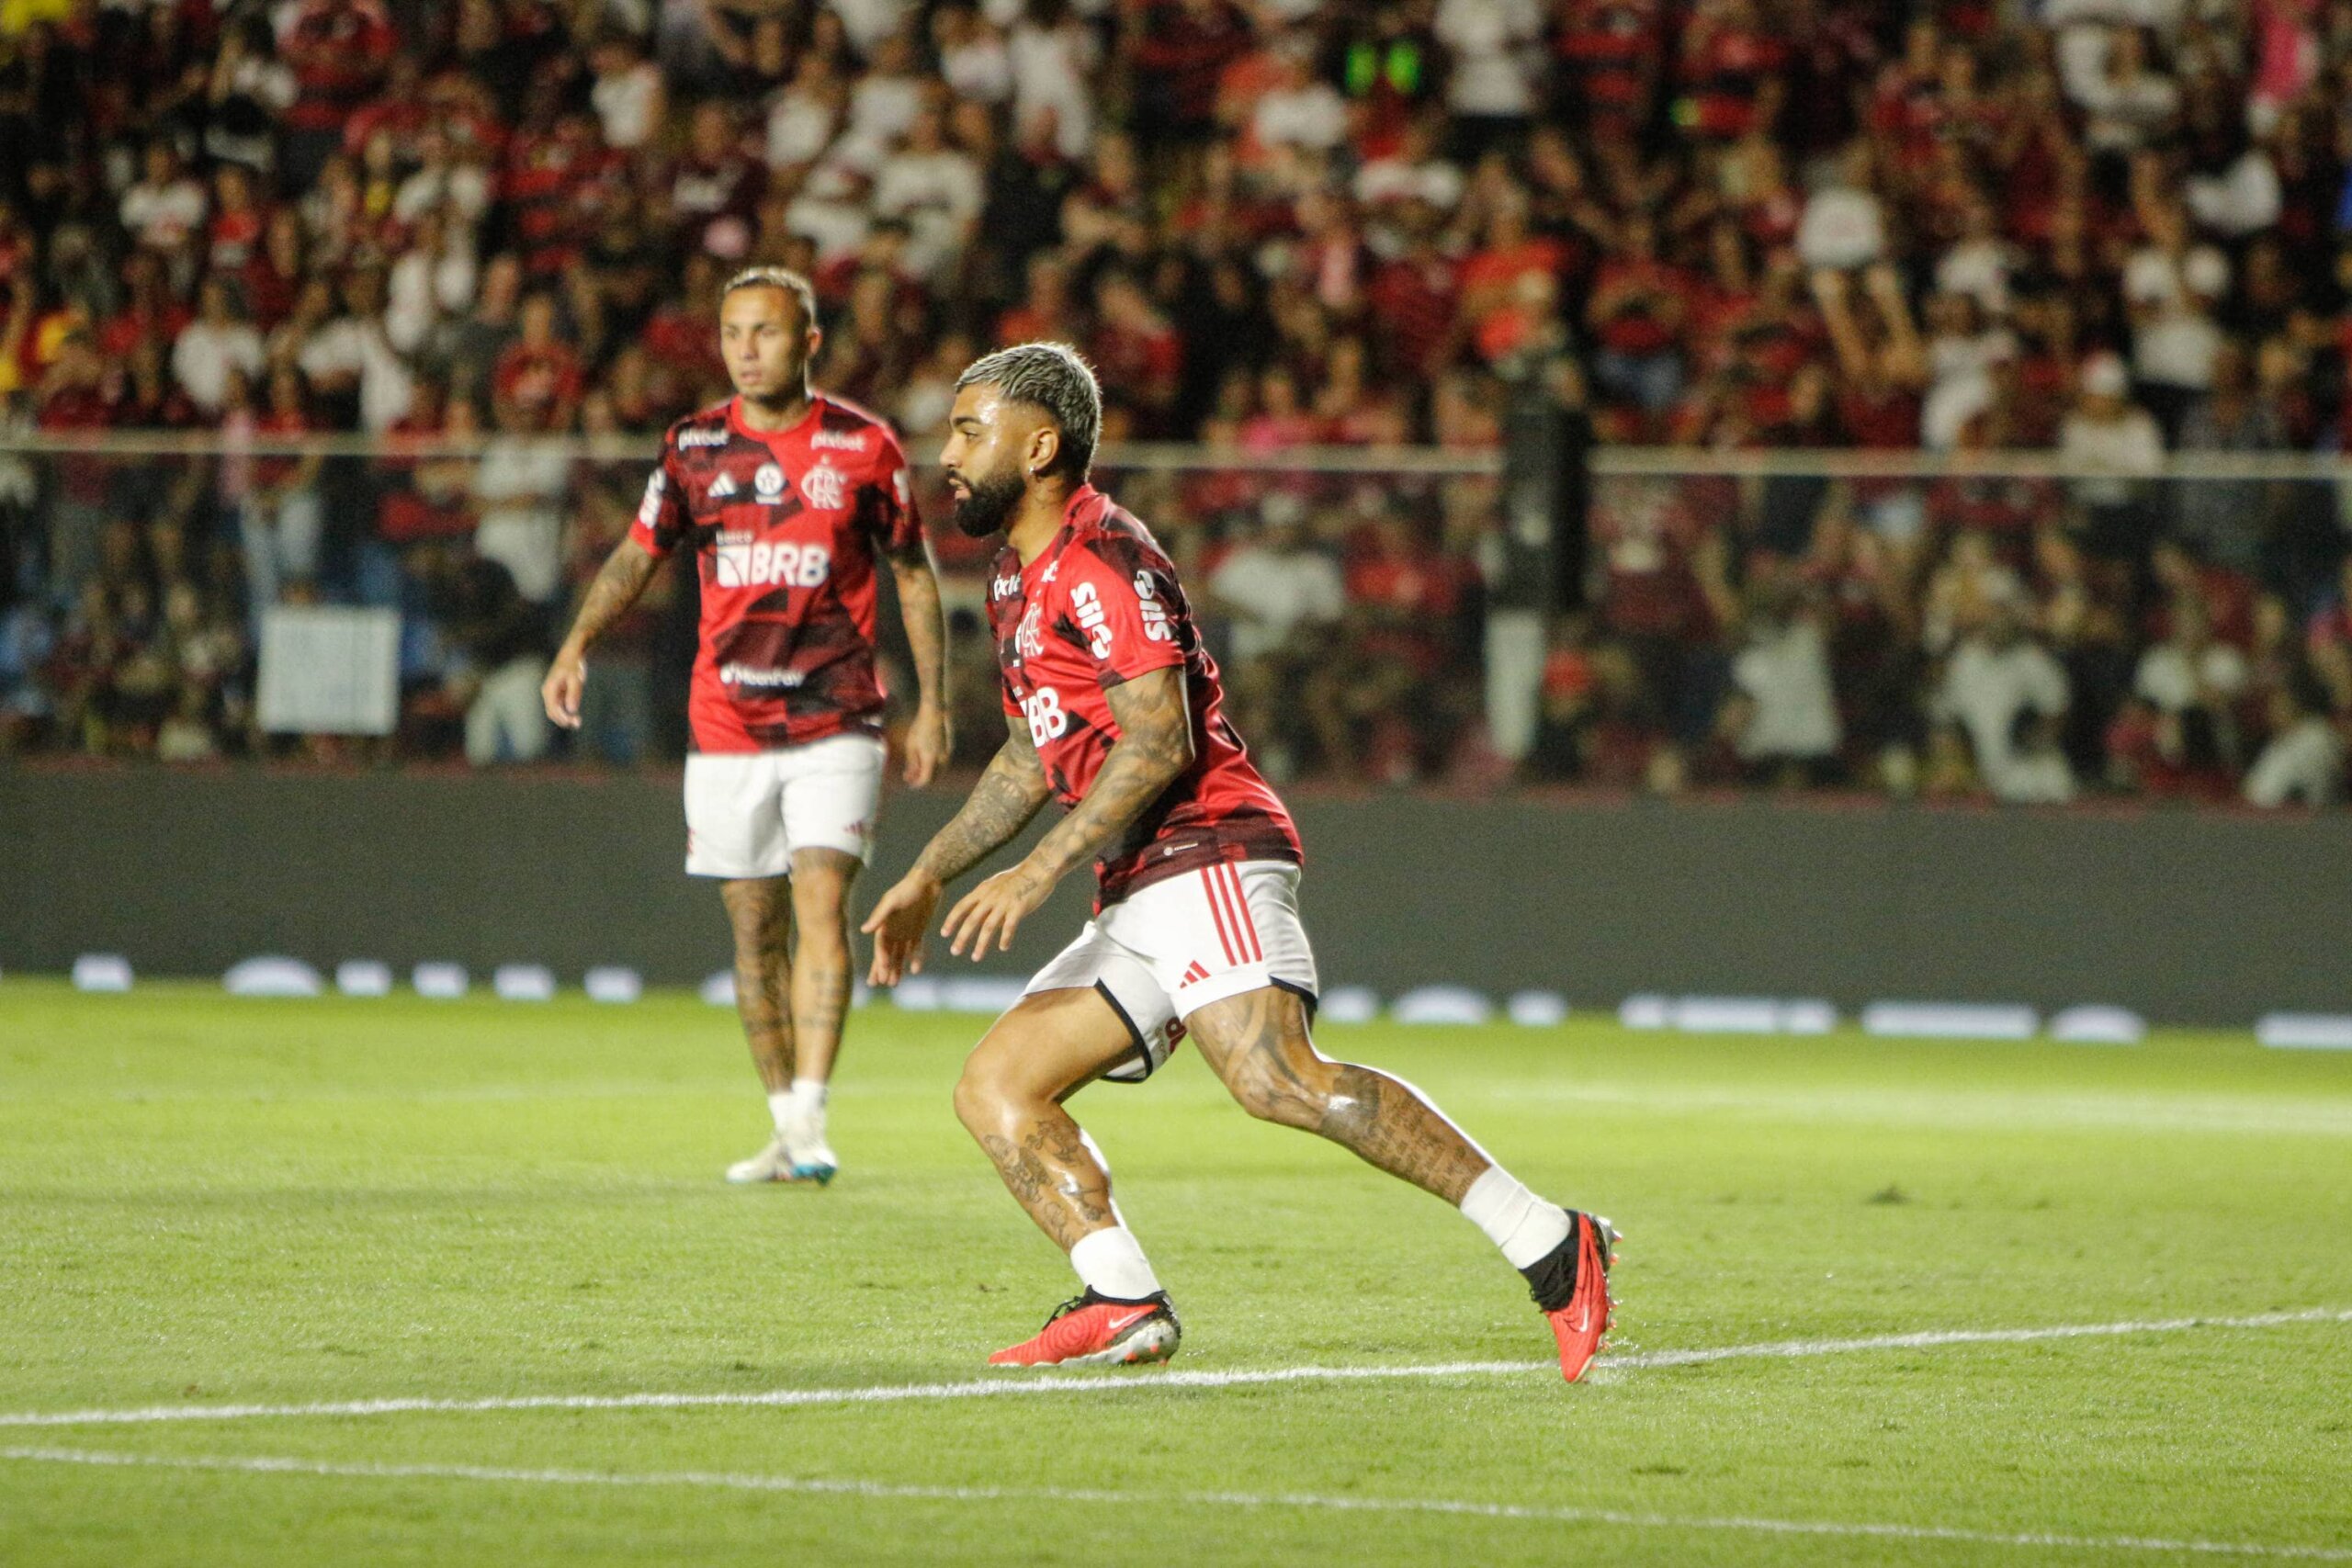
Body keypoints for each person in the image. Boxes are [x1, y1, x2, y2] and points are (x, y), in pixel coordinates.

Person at [861, 343, 1615, 1379]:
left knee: (1275, 1077)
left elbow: (1159, 740)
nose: (945, 451)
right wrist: (930, 869)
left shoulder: (1103, 560)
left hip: (1200, 845)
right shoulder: (1014, 579)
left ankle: (1548, 1243)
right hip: (1138, 876)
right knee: (999, 1086)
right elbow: (1035, 749)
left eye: (967, 429)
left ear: (1039, 446)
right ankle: (1124, 1299)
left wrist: (1035, 873)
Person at [542, 266, 952, 1185]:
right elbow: (636, 555)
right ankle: (783, 1122)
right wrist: (575, 643)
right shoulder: (692, 448)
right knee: (751, 928)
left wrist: (935, 703)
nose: (746, 349)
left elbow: (915, 573)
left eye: (765, 331)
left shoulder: (862, 447)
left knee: (819, 904)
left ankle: (810, 1115)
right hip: (725, 720)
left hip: (836, 714)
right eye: (732, 333)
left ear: (808, 342)